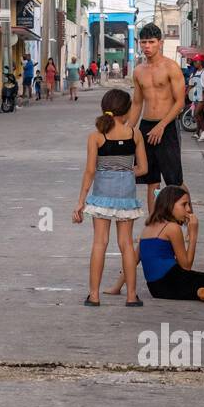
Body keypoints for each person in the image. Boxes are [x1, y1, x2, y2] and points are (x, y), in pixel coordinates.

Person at [73, 88, 147, 307]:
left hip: (102, 195)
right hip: (127, 195)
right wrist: (123, 172)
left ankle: (94, 295)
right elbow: (143, 168)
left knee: (99, 243)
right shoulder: (135, 134)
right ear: (125, 111)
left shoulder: (96, 136)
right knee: (126, 244)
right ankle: (132, 296)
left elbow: (90, 171)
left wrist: (80, 201)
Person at [138, 186, 204, 306]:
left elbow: (132, 260)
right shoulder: (172, 228)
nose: (189, 209)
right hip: (174, 281)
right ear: (169, 205)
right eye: (184, 204)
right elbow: (186, 266)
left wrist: (117, 288)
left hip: (155, 288)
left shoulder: (147, 228)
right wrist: (193, 234)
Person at [129, 23, 187, 211]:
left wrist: (162, 125)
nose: (147, 46)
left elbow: (180, 102)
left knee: (174, 181)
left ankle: (188, 218)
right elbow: (137, 103)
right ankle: (154, 223)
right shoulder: (138, 71)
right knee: (151, 180)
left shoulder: (171, 67)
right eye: (143, 42)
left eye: (151, 42)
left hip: (167, 127)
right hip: (146, 126)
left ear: (160, 43)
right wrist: (128, 130)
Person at [188, 57, 204, 141]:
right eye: (194, 61)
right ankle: (200, 132)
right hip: (196, 94)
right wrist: (186, 93)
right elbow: (191, 85)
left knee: (196, 113)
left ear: (201, 62)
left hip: (202, 94)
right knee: (200, 114)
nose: (194, 63)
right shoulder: (194, 73)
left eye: (196, 61)